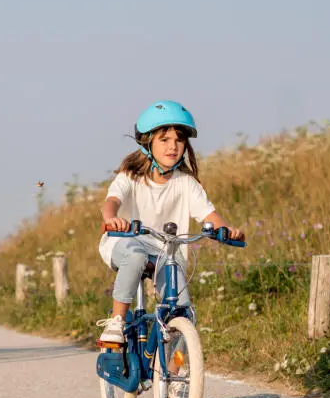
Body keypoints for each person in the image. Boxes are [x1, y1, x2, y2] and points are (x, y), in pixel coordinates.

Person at [97, 100, 244, 345]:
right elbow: (111, 201)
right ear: (147, 143)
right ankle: (117, 322)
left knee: (182, 308)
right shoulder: (130, 177)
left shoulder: (186, 183)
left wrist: (225, 229)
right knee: (135, 257)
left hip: (165, 253)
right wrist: (112, 219)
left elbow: (210, 215)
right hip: (124, 242)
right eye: (164, 140)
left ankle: (176, 375)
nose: (173, 146)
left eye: (179, 140)